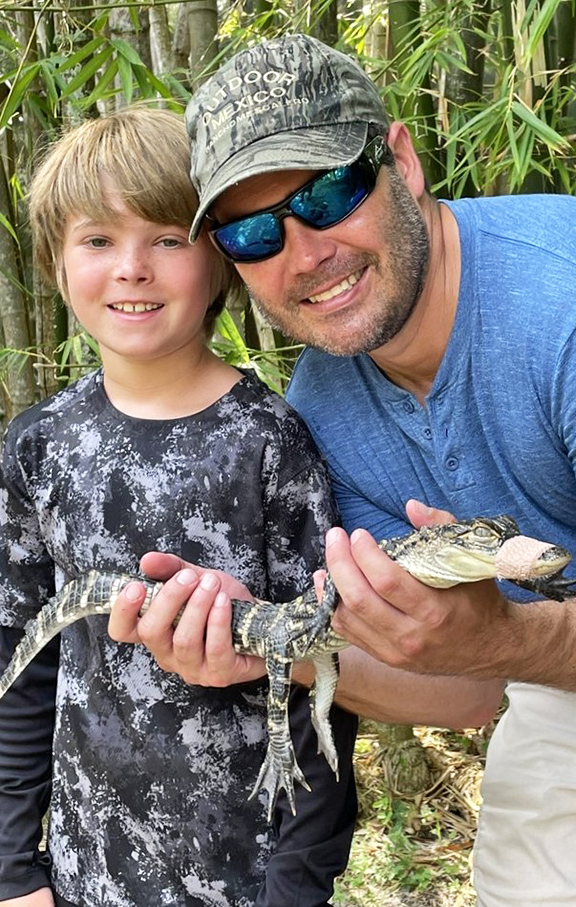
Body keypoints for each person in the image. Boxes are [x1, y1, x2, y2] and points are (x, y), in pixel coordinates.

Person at [107, 33, 576, 907]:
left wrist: (513, 640)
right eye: (254, 232)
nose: (305, 254)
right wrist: (264, 651)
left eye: (330, 192)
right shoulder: (324, 406)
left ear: (402, 162)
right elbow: (471, 690)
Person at [0, 105, 357, 907]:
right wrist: (14, 872)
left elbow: (322, 678)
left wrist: (294, 886)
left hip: (246, 876)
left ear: (222, 261)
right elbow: (18, 664)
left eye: (167, 237)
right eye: (97, 240)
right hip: (83, 873)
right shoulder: (37, 446)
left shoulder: (272, 443)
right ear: (57, 266)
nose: (132, 268)